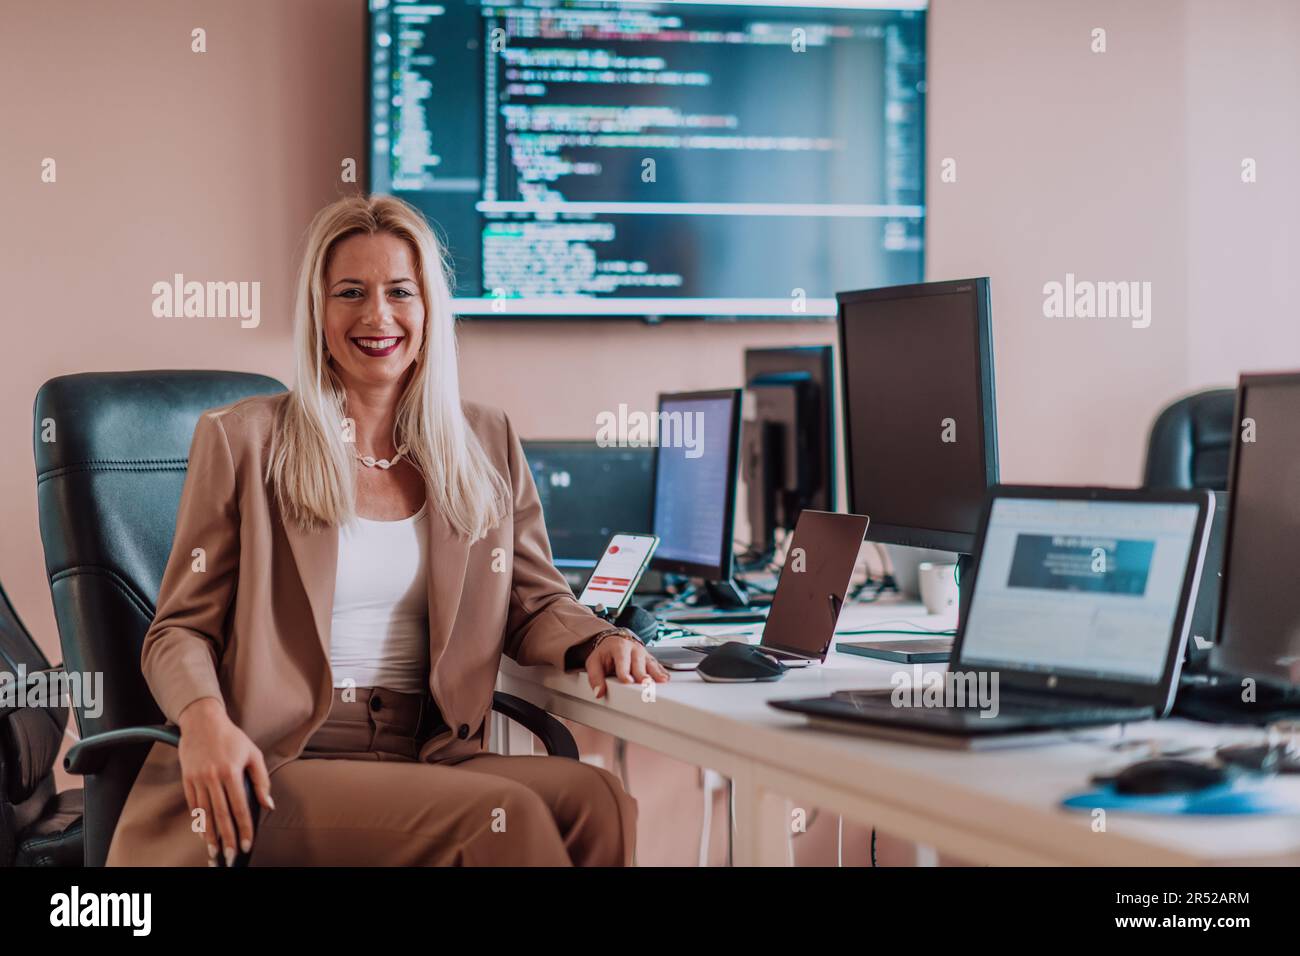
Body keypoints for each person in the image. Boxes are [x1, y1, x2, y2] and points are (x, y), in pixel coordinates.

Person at [106, 194, 669, 866]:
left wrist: (597, 640)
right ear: (317, 311)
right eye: (350, 292)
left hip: (423, 748)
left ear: (429, 308)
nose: (377, 316)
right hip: (278, 759)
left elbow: (533, 599)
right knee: (505, 817)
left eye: (400, 292)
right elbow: (179, 631)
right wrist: (202, 722)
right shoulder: (243, 442)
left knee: (595, 800)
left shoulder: (483, 442)